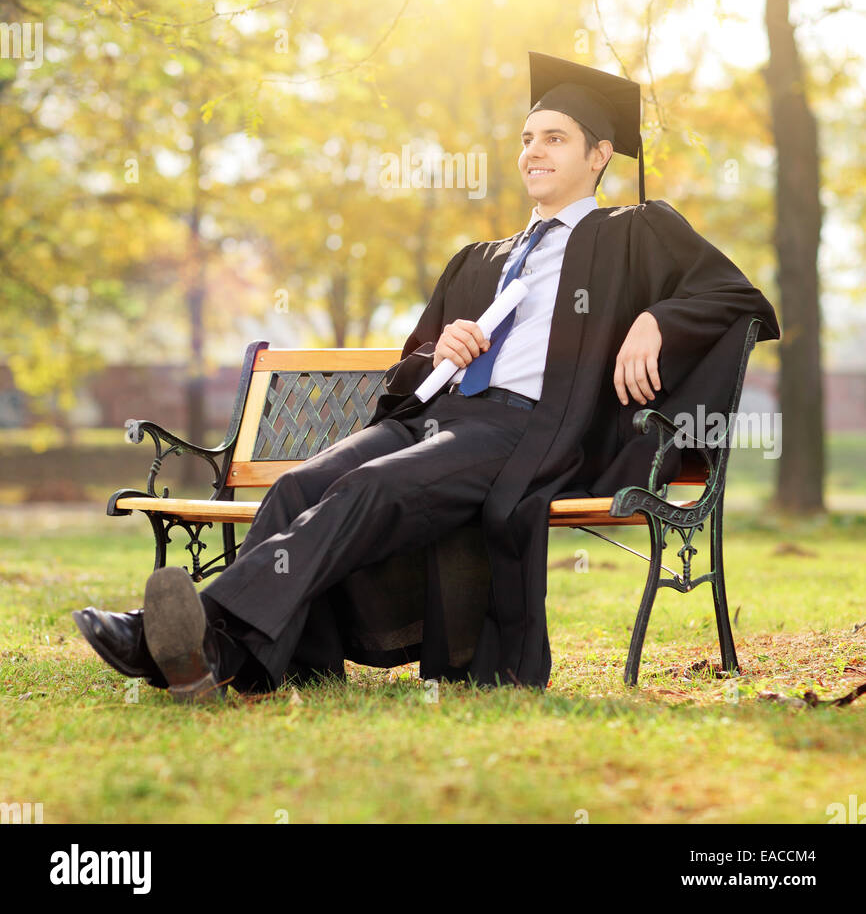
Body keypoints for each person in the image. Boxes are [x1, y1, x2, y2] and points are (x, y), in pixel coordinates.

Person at [73, 51, 780, 701]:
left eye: (556, 138)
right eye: (528, 138)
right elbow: (408, 373)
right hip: (436, 418)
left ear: (599, 155)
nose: (534, 150)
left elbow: (738, 297)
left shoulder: (633, 234)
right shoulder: (480, 260)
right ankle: (240, 658)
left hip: (525, 431)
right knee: (297, 485)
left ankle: (194, 639)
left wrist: (658, 319)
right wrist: (442, 351)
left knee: (373, 486)